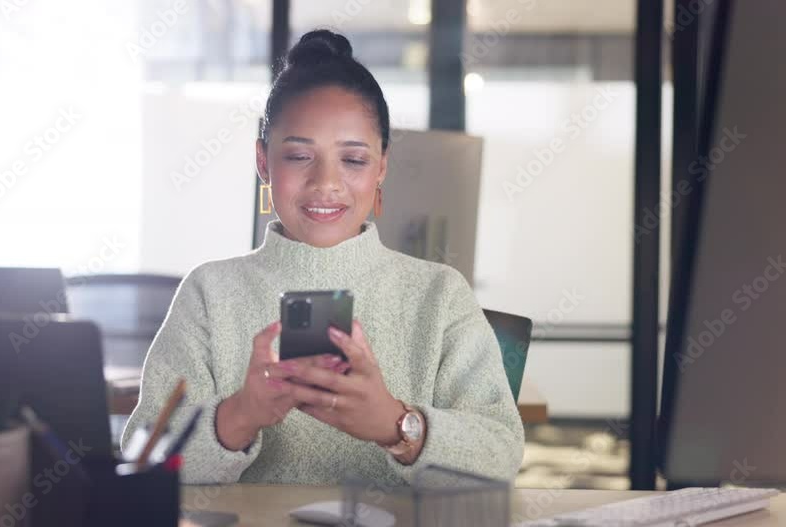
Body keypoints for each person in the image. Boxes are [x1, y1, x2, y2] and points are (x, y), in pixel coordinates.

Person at [121, 29, 524, 486]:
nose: (326, 183)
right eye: (298, 155)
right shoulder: (210, 292)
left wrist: (396, 424)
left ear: (382, 166)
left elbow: (501, 453)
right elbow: (144, 454)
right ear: (262, 162)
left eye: (353, 160)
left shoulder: (440, 294)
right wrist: (237, 417)